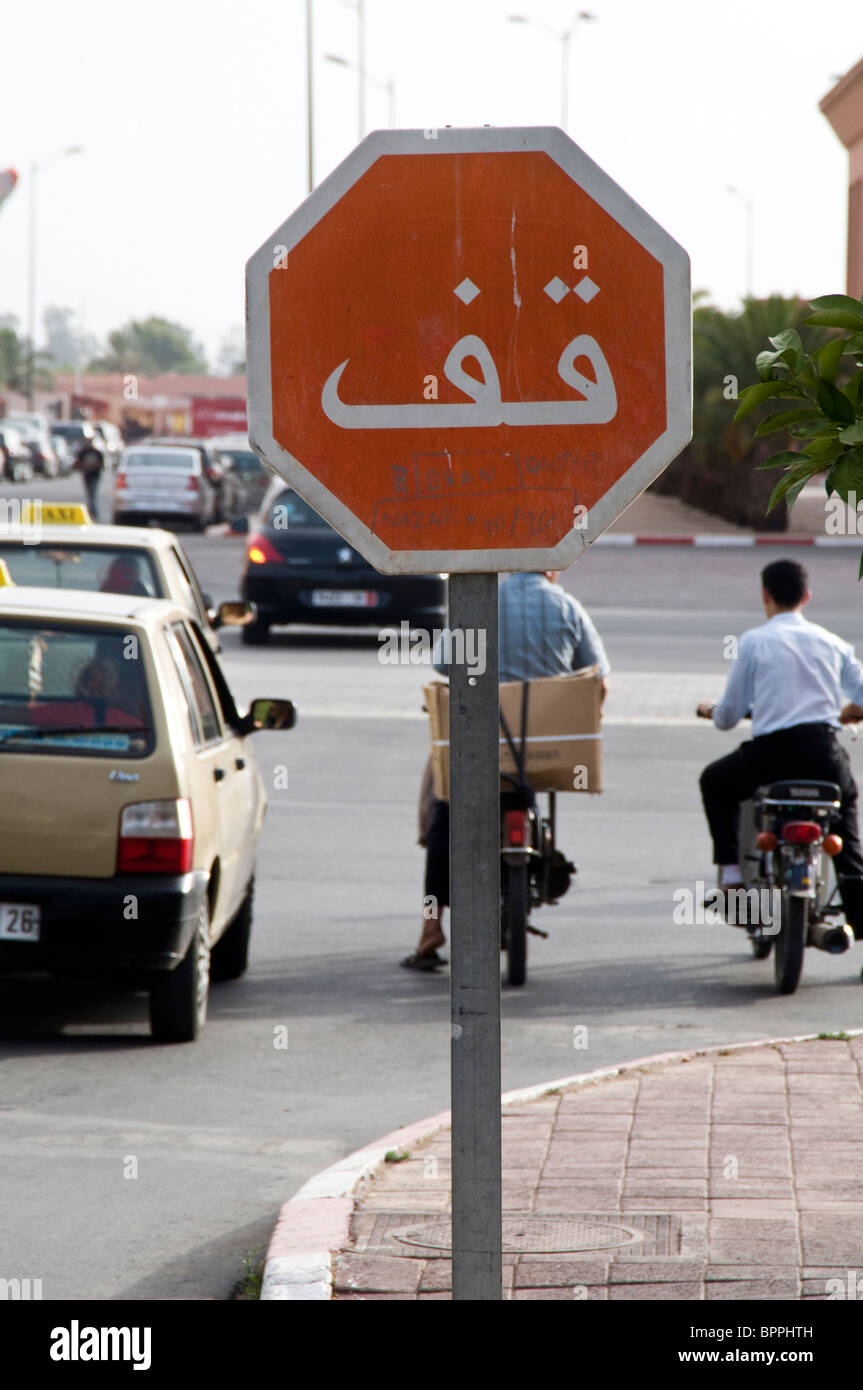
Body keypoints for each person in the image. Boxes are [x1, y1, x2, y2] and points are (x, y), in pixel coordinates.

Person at [400, 569, 611, 970]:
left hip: (477, 741)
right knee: (523, 787)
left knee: (443, 808)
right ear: (553, 565)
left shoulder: (475, 602)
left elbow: (444, 665)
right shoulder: (567, 606)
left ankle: (431, 926)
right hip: (542, 748)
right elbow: (598, 679)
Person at [697, 558, 863, 941]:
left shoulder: (754, 641)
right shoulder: (832, 642)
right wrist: (851, 711)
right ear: (807, 596)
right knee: (846, 822)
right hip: (824, 755)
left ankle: (733, 880)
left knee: (714, 781)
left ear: (765, 596)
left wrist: (711, 710)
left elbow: (727, 716)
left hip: (771, 758)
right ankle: (858, 915)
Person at [74, 437, 104, 520]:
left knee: (92, 493)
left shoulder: (97, 452)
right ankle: (92, 511)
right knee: (90, 494)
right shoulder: (84, 452)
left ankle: (93, 512)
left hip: (95, 475)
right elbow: (77, 464)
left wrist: (94, 465)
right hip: (87, 475)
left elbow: (102, 465)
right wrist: (84, 466)